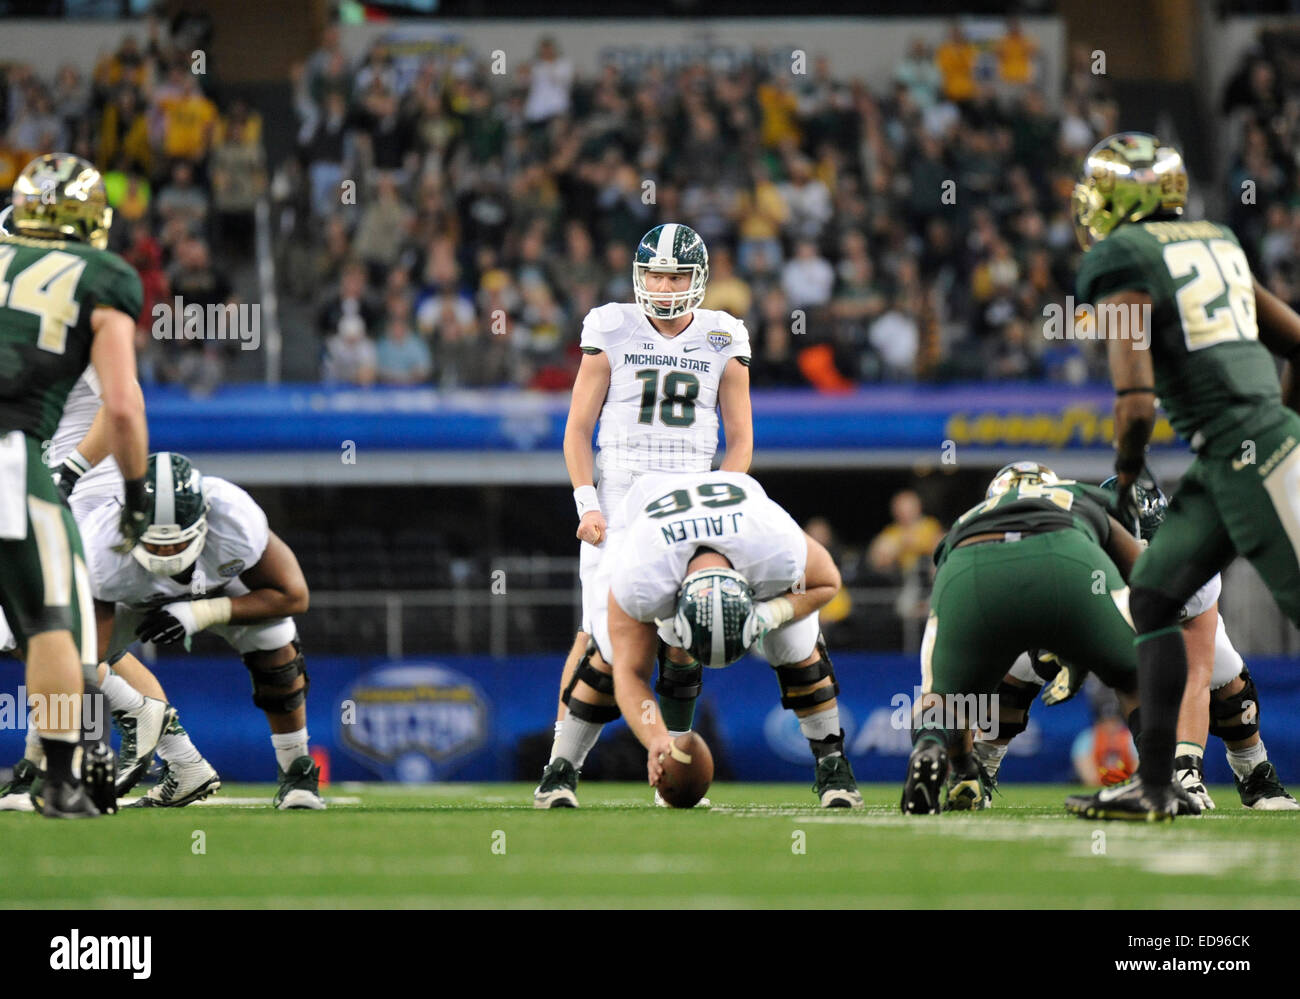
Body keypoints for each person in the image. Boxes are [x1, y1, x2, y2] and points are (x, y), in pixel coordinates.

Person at [1064, 132, 1300, 821]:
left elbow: (1134, 399)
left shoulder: (1120, 255)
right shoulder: (1217, 238)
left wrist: (1128, 467)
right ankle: (1157, 783)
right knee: (1155, 596)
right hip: (1231, 456)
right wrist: (1277, 429)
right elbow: (1296, 336)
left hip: (1246, 451)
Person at [536, 223, 753, 807]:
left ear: (697, 279)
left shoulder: (723, 335)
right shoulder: (611, 325)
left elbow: (740, 443)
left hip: (689, 501)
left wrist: (723, 506)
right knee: (598, 641)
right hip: (622, 496)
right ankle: (560, 769)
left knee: (682, 639)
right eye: (654, 273)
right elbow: (577, 429)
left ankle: (672, 770)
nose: (662, 285)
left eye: (675, 274)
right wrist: (587, 503)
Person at [975, 479, 1296, 812]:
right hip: (1086, 622)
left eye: (1150, 549)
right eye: (1128, 547)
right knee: (1019, 668)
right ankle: (980, 768)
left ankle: (1254, 773)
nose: (1139, 563)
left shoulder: (1193, 565)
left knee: (1225, 670)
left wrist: (1187, 768)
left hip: (1158, 629)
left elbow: (1197, 673)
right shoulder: (1064, 559)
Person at [553, 470, 861, 808]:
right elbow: (630, 673)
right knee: (609, 654)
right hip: (645, 508)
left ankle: (832, 763)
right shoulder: (642, 572)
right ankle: (560, 768)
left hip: (737, 525)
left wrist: (770, 615)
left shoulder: (774, 549)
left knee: (795, 643)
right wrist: (655, 739)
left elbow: (828, 581)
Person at [0, 153, 150, 818]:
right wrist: (139, 495)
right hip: (12, 455)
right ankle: (60, 781)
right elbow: (123, 406)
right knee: (52, 621)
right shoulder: (103, 275)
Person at [900, 461, 1170, 815]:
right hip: (1065, 556)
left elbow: (946, 569)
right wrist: (1097, 648)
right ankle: (1156, 778)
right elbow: (1138, 569)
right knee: (1136, 672)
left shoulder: (970, 517)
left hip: (969, 569)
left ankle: (940, 757)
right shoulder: (1073, 494)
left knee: (945, 701)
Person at [80, 451, 321, 809]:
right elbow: (85, 658)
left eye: (177, 541)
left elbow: (292, 595)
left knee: (275, 641)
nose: (167, 553)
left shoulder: (233, 515)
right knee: (66, 655)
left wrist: (199, 614)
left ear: (204, 518)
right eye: (155, 542)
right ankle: (56, 758)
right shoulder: (101, 545)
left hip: (218, 589)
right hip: (132, 600)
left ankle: (297, 771)